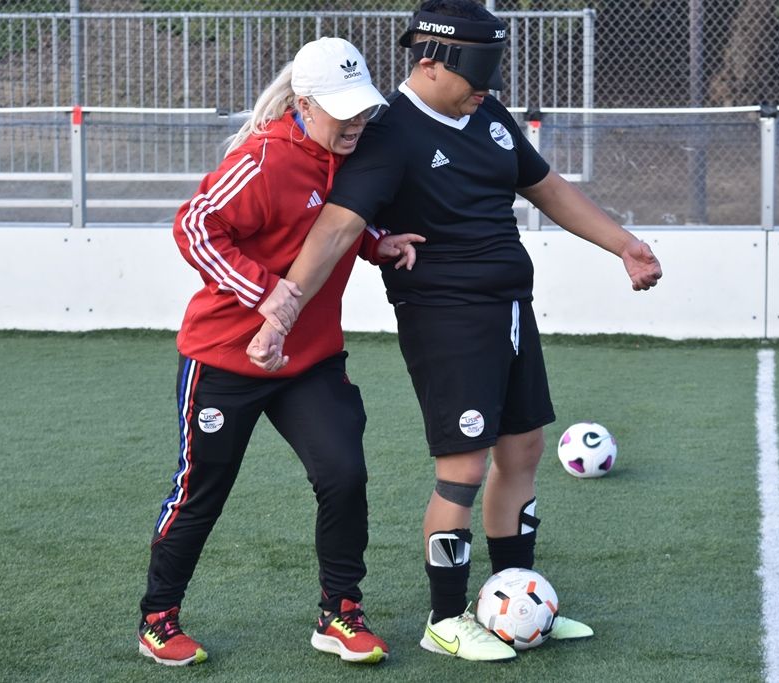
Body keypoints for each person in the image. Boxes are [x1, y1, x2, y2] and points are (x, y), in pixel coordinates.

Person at [249, 0, 663, 663]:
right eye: (478, 73)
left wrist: (623, 245)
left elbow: (547, 187)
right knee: (464, 466)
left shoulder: (488, 115)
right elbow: (337, 226)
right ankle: (444, 619)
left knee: (523, 450)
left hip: (510, 309)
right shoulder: (390, 131)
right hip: (447, 320)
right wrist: (283, 307)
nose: (487, 87)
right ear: (432, 62)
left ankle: (515, 597)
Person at [136, 36, 424, 667]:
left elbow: (333, 223)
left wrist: (375, 243)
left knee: (344, 475)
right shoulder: (264, 159)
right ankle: (158, 618)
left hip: (310, 361)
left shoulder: (355, 153)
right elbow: (193, 226)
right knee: (202, 490)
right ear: (304, 104)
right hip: (224, 359)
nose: (356, 121)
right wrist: (266, 292)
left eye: (362, 106)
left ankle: (339, 613)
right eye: (341, 109)